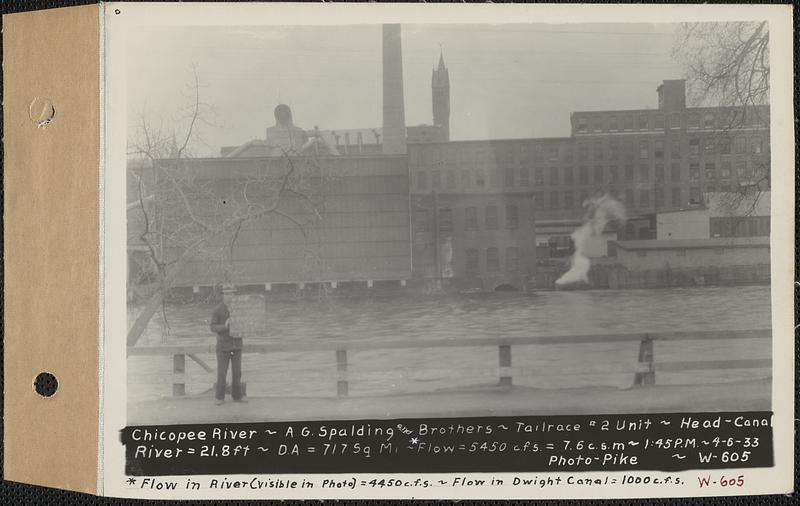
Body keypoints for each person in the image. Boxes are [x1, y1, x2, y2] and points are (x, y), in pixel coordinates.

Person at [210, 284, 246, 405]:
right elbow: (212, 327)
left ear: (234, 295)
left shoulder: (240, 309)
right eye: (227, 294)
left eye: (231, 294)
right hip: (223, 347)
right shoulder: (217, 310)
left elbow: (247, 323)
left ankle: (237, 396)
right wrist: (224, 326)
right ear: (223, 295)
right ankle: (219, 397)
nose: (229, 296)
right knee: (222, 373)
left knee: (237, 372)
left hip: (237, 346)